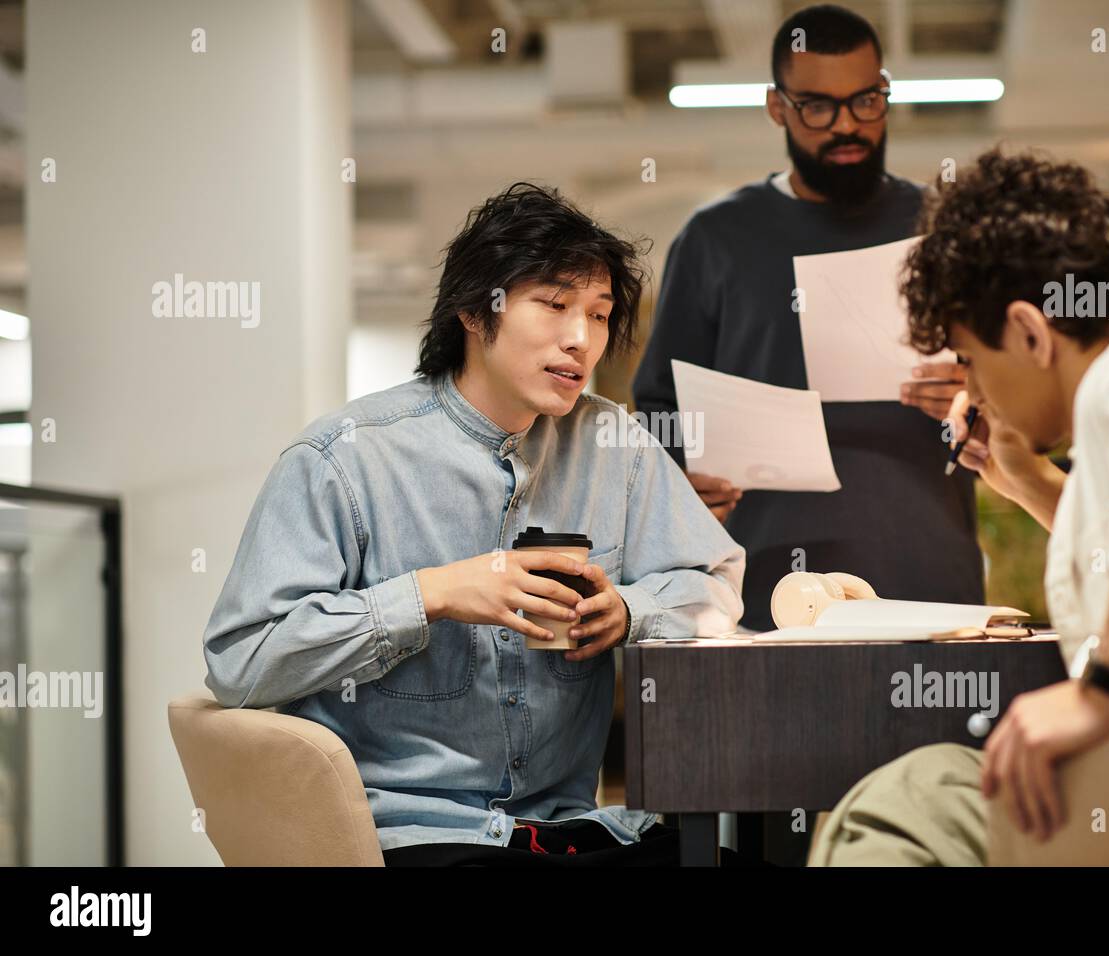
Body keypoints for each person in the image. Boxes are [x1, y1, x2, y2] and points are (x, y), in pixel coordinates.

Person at [203, 183, 748, 866]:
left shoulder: (615, 444)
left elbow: (717, 582)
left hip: (570, 826)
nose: (581, 339)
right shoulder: (344, 458)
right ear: (473, 310)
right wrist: (431, 595)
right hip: (414, 835)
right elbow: (240, 659)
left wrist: (630, 612)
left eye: (600, 314)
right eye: (553, 306)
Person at [809, 148, 1109, 866]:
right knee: (917, 792)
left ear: (1032, 334)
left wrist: (1104, 692)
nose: (972, 385)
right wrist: (1029, 481)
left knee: (894, 809)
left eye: (971, 359)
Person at [633, 3, 983, 635]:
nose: (847, 125)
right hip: (771, 590)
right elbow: (658, 408)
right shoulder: (717, 239)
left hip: (930, 574)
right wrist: (680, 487)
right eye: (818, 107)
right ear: (777, 106)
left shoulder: (946, 226)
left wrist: (974, 393)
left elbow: (1020, 396)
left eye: (866, 102)